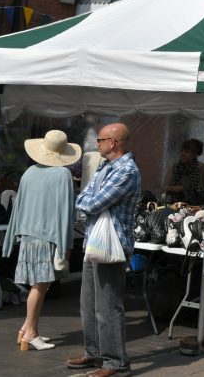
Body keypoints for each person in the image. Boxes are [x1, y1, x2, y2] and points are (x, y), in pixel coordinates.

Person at [66, 123, 142, 377]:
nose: (96, 144)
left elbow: (94, 202)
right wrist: (86, 201)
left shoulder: (127, 171)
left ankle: (114, 361)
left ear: (113, 142)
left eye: (100, 140)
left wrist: (86, 202)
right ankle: (94, 352)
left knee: (108, 306)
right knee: (88, 303)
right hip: (94, 243)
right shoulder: (105, 167)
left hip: (112, 246)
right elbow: (84, 197)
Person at [4, 130, 80, 351]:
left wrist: (13, 236)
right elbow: (66, 212)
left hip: (28, 234)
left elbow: (19, 207)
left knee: (40, 285)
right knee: (40, 286)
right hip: (46, 236)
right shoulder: (62, 175)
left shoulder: (29, 172)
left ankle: (27, 328)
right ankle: (30, 332)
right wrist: (66, 243)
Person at [164, 138, 204, 203]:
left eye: (187, 152)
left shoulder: (203, 168)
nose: (183, 154)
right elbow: (164, 188)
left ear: (194, 155)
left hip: (197, 204)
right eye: (182, 151)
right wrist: (176, 188)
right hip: (176, 204)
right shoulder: (174, 168)